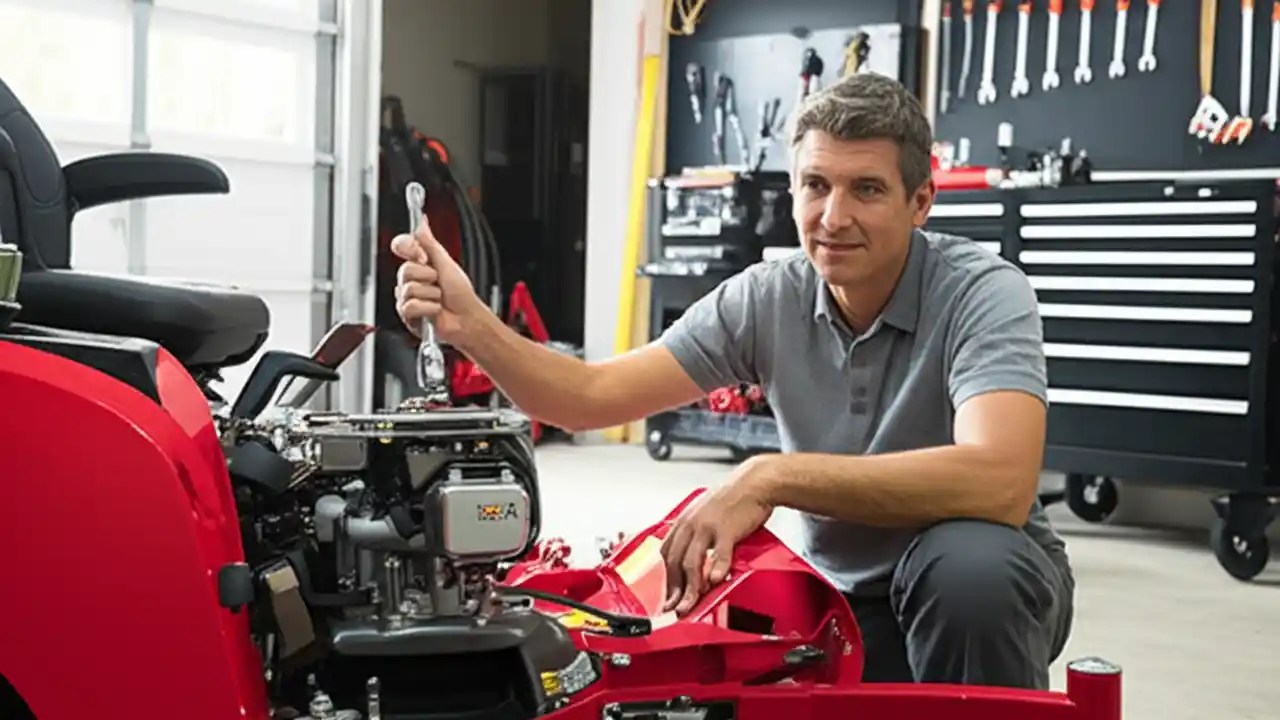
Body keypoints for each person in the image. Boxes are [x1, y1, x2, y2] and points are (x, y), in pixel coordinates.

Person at [391, 72, 1074, 690]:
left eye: (866, 189)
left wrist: (770, 477)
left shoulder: (982, 292)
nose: (833, 217)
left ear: (920, 201)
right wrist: (471, 325)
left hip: (985, 591)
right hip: (844, 596)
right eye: (816, 185)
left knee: (969, 570)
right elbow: (588, 398)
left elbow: (1000, 482)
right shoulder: (766, 298)